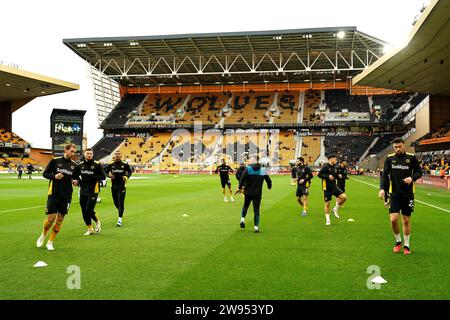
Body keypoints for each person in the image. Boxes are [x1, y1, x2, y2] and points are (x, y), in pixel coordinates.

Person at [379, 138, 422, 255]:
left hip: (408, 194)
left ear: (404, 146)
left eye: (400, 146)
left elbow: (419, 172)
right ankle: (398, 242)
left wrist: (412, 178)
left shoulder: (411, 158)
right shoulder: (389, 159)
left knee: (406, 220)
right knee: (393, 220)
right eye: (396, 147)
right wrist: (382, 189)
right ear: (394, 147)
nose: (398, 149)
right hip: (394, 194)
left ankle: (406, 245)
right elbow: (384, 176)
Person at [36, 143, 78, 251]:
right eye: (71, 151)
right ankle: (43, 235)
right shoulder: (55, 160)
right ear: (65, 150)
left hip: (67, 195)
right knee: (51, 218)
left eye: (74, 152)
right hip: (54, 193)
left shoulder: (75, 165)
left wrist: (76, 181)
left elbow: (77, 179)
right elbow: (45, 174)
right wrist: (54, 176)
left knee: (60, 219)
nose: (73, 154)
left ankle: (50, 242)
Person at [73, 149, 106, 235]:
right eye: (87, 153)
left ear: (93, 154)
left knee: (89, 209)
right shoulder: (80, 165)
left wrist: (92, 176)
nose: (89, 155)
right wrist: (77, 181)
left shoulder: (97, 164)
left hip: (93, 190)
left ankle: (97, 221)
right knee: (84, 210)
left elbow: (103, 177)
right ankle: (90, 228)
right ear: (84, 154)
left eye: (91, 153)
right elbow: (75, 176)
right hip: (83, 189)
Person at [236, 157, 272, 233]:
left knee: (245, 206)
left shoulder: (248, 168)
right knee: (256, 210)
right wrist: (269, 186)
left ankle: (242, 219)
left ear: (254, 161)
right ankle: (256, 227)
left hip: (248, 192)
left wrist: (239, 188)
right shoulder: (262, 170)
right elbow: (269, 180)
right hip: (257, 193)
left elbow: (242, 179)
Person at [318, 155, 348, 225]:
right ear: (331, 159)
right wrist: (328, 176)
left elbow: (335, 175)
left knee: (344, 197)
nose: (336, 160)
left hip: (334, 187)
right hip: (327, 188)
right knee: (327, 204)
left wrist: (338, 176)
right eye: (335, 159)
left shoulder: (335, 167)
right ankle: (328, 220)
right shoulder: (325, 167)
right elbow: (319, 175)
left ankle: (335, 209)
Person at [105, 151, 132, 226]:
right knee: (116, 203)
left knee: (121, 202)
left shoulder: (125, 164)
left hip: (122, 186)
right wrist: (109, 176)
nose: (117, 155)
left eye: (118, 154)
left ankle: (119, 219)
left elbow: (130, 172)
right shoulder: (111, 164)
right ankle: (121, 210)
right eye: (115, 154)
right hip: (114, 186)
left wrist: (126, 177)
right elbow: (105, 172)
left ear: (121, 155)